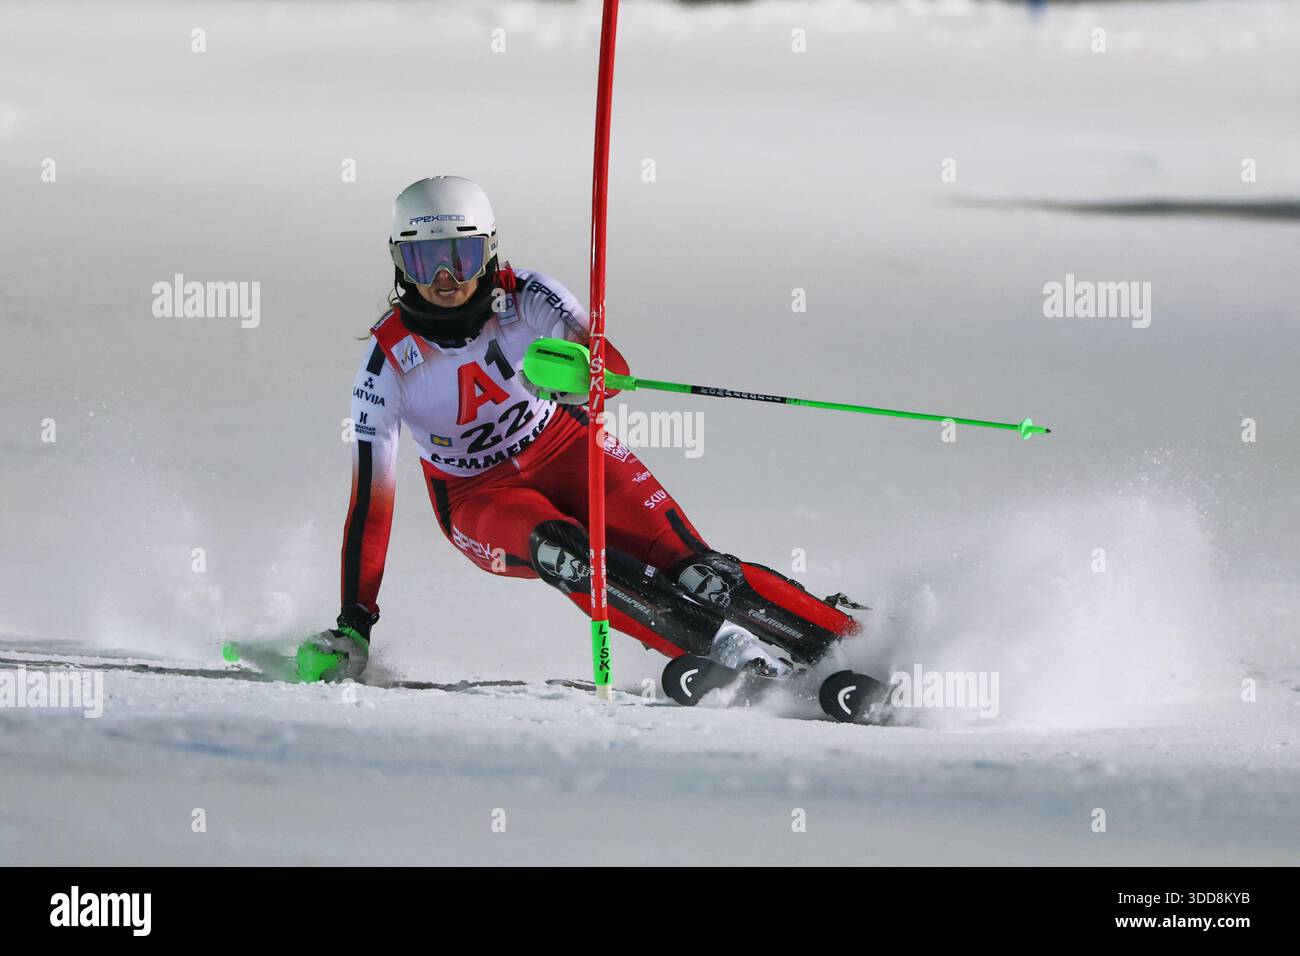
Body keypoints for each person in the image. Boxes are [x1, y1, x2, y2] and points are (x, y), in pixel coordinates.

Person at [301, 176, 861, 683]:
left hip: (567, 447)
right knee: (563, 552)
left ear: (489, 252)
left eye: (462, 256)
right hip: (479, 495)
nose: (446, 279)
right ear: (401, 264)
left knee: (698, 572)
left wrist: (590, 373)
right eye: (426, 263)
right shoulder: (386, 364)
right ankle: (731, 653)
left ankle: (848, 640)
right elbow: (371, 506)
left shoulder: (528, 297)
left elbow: (609, 367)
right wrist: (354, 622)